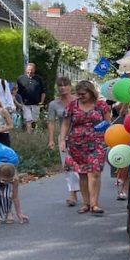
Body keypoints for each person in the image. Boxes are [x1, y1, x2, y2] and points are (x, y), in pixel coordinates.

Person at [59, 80, 112, 215]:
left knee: (94, 172)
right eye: (78, 94)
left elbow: (108, 122)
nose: (80, 96)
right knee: (82, 174)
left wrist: (108, 136)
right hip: (76, 144)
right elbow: (65, 124)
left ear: (90, 92)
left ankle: (94, 204)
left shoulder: (101, 105)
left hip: (97, 142)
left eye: (83, 94)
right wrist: (62, 141)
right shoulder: (72, 106)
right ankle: (86, 203)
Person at [46, 76, 81, 207]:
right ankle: (72, 193)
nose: (63, 88)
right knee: (68, 165)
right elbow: (51, 122)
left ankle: (89, 193)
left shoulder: (78, 100)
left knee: (83, 165)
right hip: (64, 137)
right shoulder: (54, 104)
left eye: (65, 85)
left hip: (81, 136)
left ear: (70, 86)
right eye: (60, 85)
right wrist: (51, 140)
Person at [16, 62, 46, 131]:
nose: (29, 72)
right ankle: (28, 133)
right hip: (25, 103)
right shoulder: (20, 79)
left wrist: (41, 102)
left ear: (34, 70)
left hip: (36, 103)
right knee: (28, 119)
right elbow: (17, 92)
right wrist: (19, 102)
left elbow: (43, 92)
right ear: (26, 69)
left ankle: (34, 133)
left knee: (35, 119)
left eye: (31, 71)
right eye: (28, 70)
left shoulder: (39, 79)